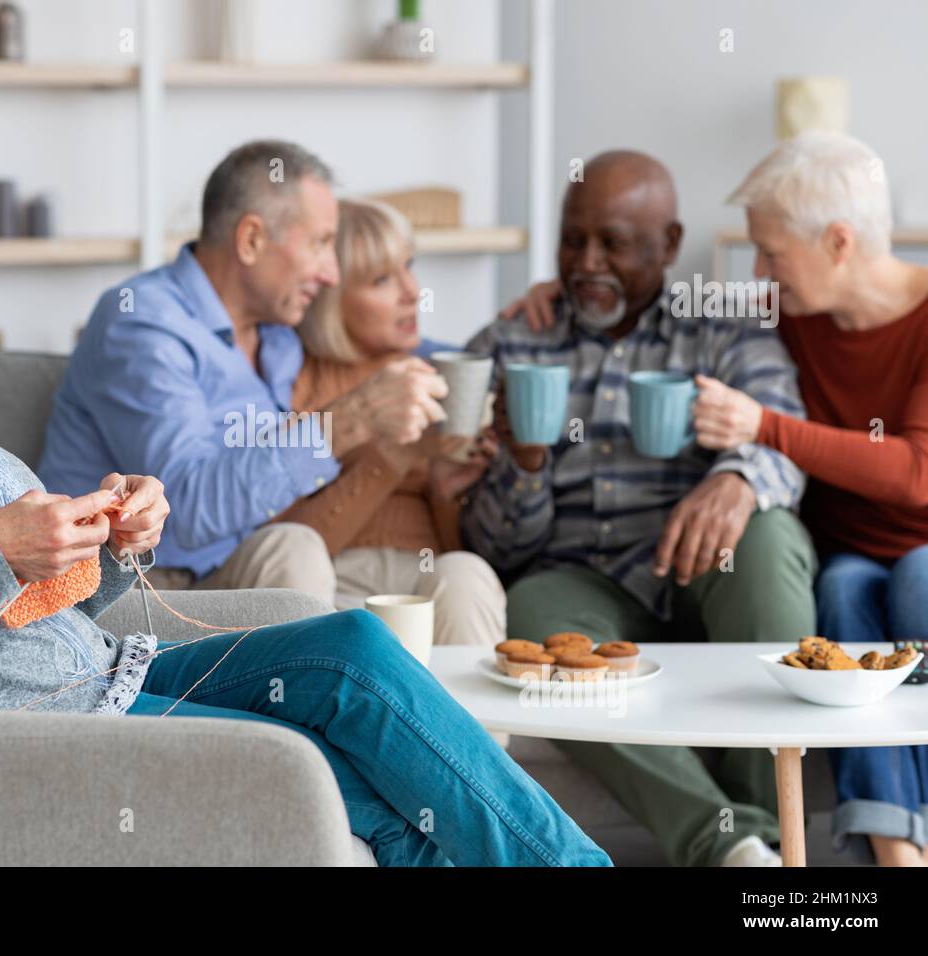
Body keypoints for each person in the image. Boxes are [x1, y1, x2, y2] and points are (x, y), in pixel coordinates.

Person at [0, 116, 610, 867]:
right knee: (359, 788)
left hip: (94, 668)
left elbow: (16, 599)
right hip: (32, 721)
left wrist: (108, 552)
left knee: (353, 649)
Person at [463, 149, 817, 867]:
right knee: (531, 616)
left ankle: (776, 832)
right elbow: (497, 546)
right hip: (580, 577)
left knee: (768, 538)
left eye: (614, 243)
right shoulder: (509, 342)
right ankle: (733, 845)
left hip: (701, 569)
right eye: (572, 238)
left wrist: (739, 480)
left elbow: (783, 432)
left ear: (670, 245)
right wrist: (525, 470)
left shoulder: (722, 325)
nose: (587, 261)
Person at [36, 141, 448, 604]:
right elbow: (186, 509)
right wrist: (352, 419)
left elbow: (385, 342)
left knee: (450, 583)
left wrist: (519, 330)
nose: (332, 274)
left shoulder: (279, 330)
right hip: (142, 584)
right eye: (320, 245)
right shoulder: (142, 324)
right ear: (251, 240)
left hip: (238, 567)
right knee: (295, 549)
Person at [693, 131, 928, 867]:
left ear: (837, 242)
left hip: (924, 548)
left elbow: (918, 473)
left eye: (771, 253)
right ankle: (895, 853)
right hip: (847, 554)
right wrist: (553, 291)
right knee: (844, 586)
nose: (759, 272)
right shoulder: (789, 310)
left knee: (920, 574)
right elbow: (666, 307)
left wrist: (765, 425)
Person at [277, 197, 506, 646]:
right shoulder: (294, 382)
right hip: (334, 575)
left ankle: (473, 720)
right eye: (382, 279)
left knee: (467, 573)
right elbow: (293, 542)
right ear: (330, 297)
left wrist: (445, 491)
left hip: (422, 573)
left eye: (409, 267)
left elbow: (448, 544)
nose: (412, 291)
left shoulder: (438, 373)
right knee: (298, 565)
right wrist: (394, 458)